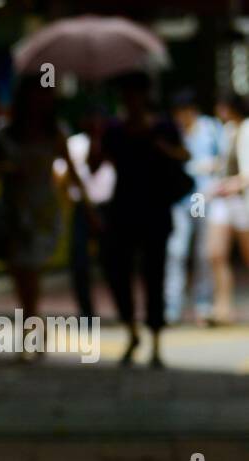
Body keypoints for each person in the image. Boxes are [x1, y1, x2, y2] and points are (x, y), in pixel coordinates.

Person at [0, 75, 93, 360]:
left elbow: (72, 173)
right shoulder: (6, 132)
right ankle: (35, 328)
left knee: (30, 272)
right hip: (14, 210)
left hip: (42, 212)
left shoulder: (54, 133)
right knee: (20, 275)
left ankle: (30, 334)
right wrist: (8, 169)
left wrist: (89, 210)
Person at [100, 72, 191, 366]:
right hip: (123, 211)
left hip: (155, 212)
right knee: (118, 274)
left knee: (155, 276)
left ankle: (155, 342)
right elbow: (96, 163)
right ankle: (131, 331)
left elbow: (183, 155)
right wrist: (95, 136)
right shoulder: (114, 129)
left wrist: (159, 145)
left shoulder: (163, 127)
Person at [53, 106, 115, 319]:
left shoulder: (113, 143)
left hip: (108, 208)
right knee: (79, 262)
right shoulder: (75, 144)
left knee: (113, 262)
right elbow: (58, 176)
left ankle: (122, 310)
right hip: (82, 208)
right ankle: (86, 312)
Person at [164, 90, 219, 326]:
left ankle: (202, 303)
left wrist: (205, 167)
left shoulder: (210, 128)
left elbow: (223, 158)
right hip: (179, 198)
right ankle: (172, 305)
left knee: (202, 253)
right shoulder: (172, 131)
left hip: (202, 197)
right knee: (176, 251)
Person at [207, 94, 249, 325]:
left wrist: (235, 184)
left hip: (242, 200)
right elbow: (224, 164)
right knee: (215, 253)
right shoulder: (228, 130)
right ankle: (222, 309)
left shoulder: (247, 129)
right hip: (224, 199)